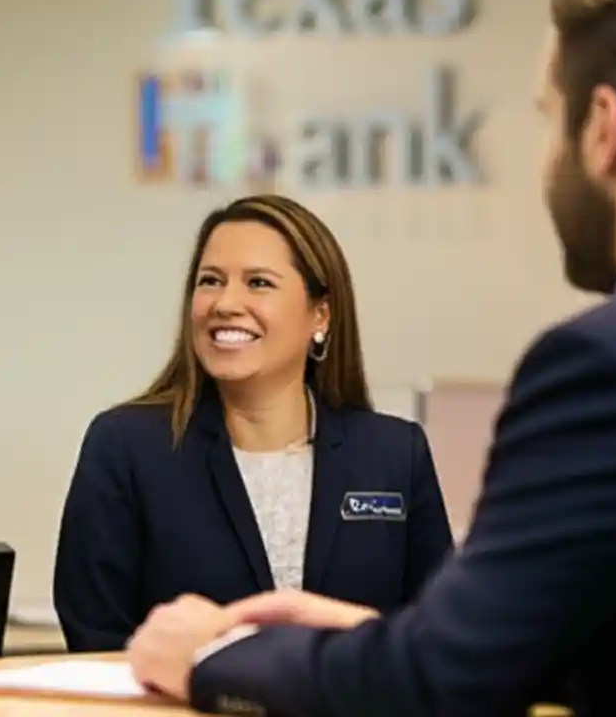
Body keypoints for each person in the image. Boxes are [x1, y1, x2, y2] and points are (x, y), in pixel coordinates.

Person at [126, 0, 616, 714]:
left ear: (605, 129)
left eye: (549, 119)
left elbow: (440, 684)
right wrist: (386, 634)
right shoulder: (131, 444)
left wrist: (212, 657)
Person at [54, 194, 454, 652]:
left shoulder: (395, 454)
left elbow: (436, 639)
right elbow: (96, 642)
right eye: (210, 281)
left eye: (258, 282)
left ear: (319, 315)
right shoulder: (125, 447)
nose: (226, 303)